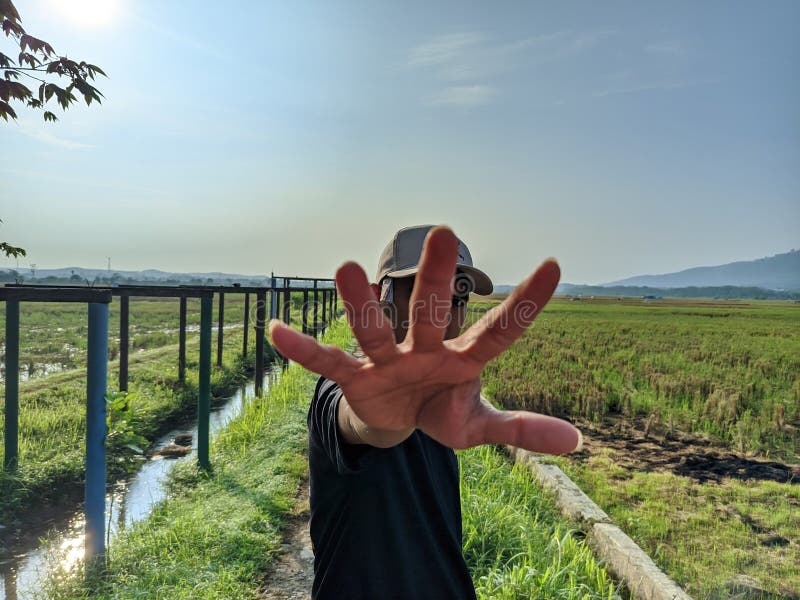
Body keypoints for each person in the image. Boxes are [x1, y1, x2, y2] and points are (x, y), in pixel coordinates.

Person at [268, 225, 582, 600]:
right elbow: (361, 423)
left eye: (457, 298)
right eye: (418, 293)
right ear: (377, 299)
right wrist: (390, 414)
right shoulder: (339, 390)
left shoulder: (448, 409)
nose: (442, 315)